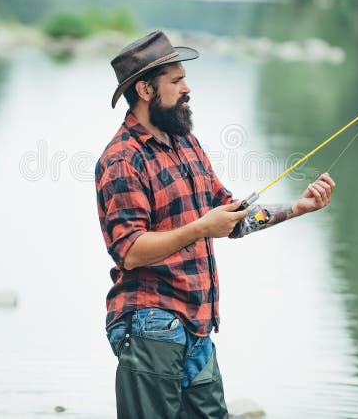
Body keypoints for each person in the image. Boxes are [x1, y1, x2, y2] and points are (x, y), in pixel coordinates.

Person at [95, 30, 336, 418]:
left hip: (198, 327)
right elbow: (131, 252)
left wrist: (298, 207)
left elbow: (231, 217)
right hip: (149, 325)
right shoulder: (122, 159)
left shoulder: (186, 144)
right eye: (175, 81)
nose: (187, 88)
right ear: (144, 90)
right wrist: (201, 228)